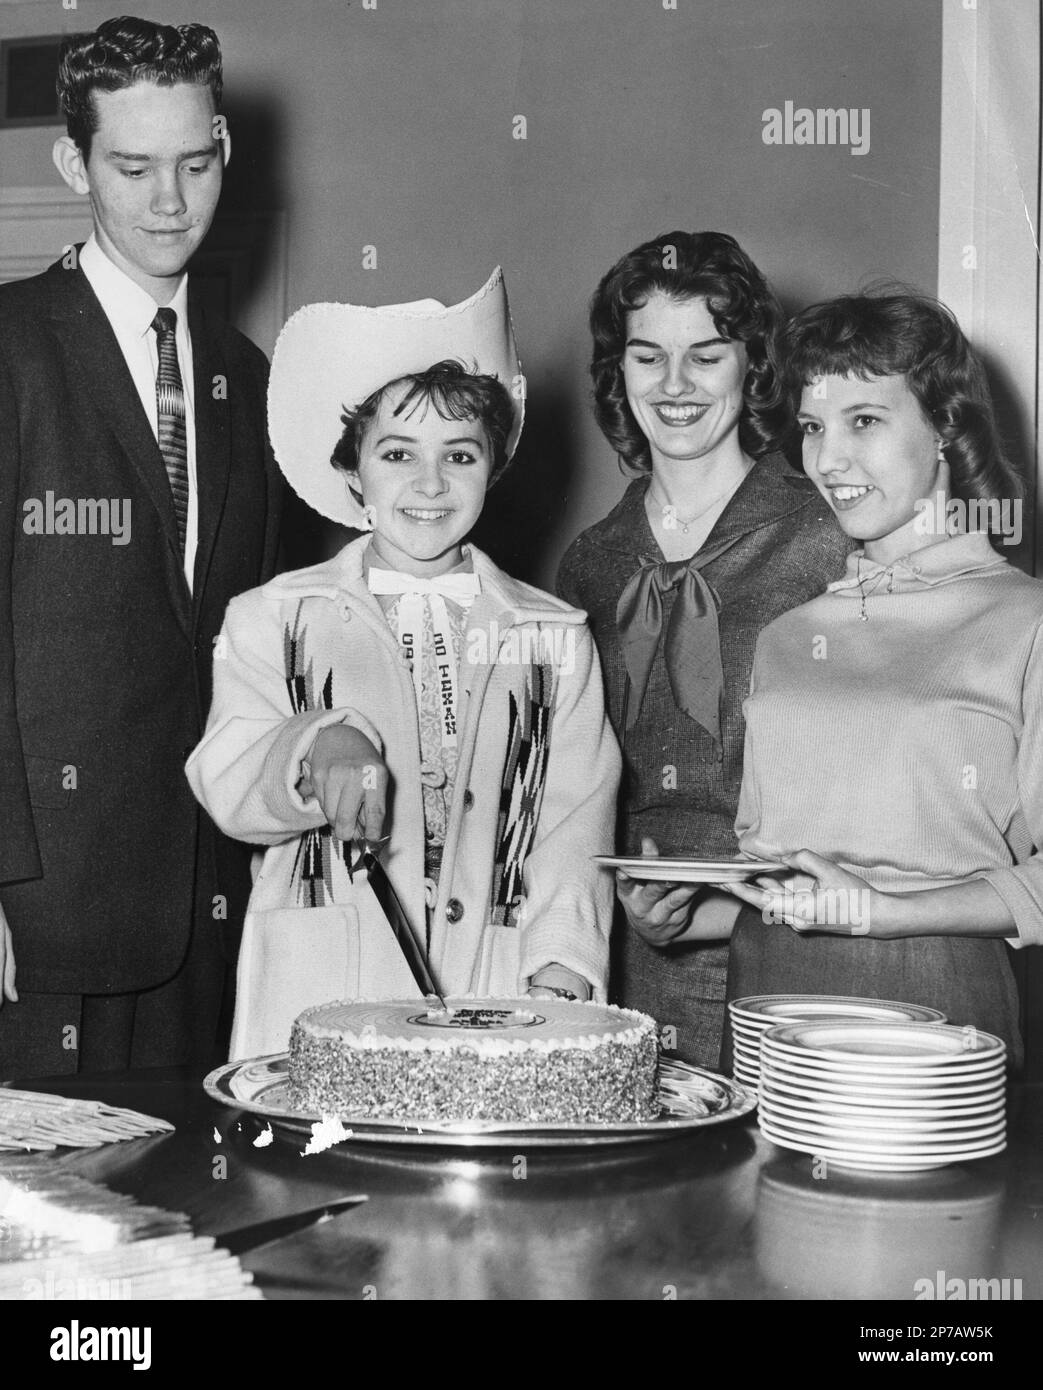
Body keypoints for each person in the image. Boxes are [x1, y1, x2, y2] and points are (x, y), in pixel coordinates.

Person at [187, 270, 620, 1059]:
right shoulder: (272, 617)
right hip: (318, 993)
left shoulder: (553, 636)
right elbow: (227, 778)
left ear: (494, 465)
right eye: (396, 453)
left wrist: (559, 975)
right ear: (351, 469)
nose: (429, 483)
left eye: (459, 454)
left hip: (500, 992)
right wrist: (317, 746)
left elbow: (571, 824)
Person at [0, 17, 282, 1078]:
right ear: (73, 162)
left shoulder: (253, 380)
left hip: (206, 914)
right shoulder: (12, 348)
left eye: (195, 163)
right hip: (38, 924)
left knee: (180, 1231)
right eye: (132, 166)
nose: (170, 201)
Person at [718, 289, 1040, 1066]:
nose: (828, 460)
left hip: (933, 987)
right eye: (810, 427)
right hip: (764, 979)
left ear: (944, 428)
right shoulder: (788, 636)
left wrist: (885, 913)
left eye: (863, 420)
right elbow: (784, 869)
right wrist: (680, 911)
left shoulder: (1023, 622)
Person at [557, 231, 852, 1067]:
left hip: (796, 942)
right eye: (647, 357)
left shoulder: (825, 535)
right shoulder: (589, 561)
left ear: (751, 366)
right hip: (628, 951)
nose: (675, 386)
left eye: (706, 356)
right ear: (618, 371)